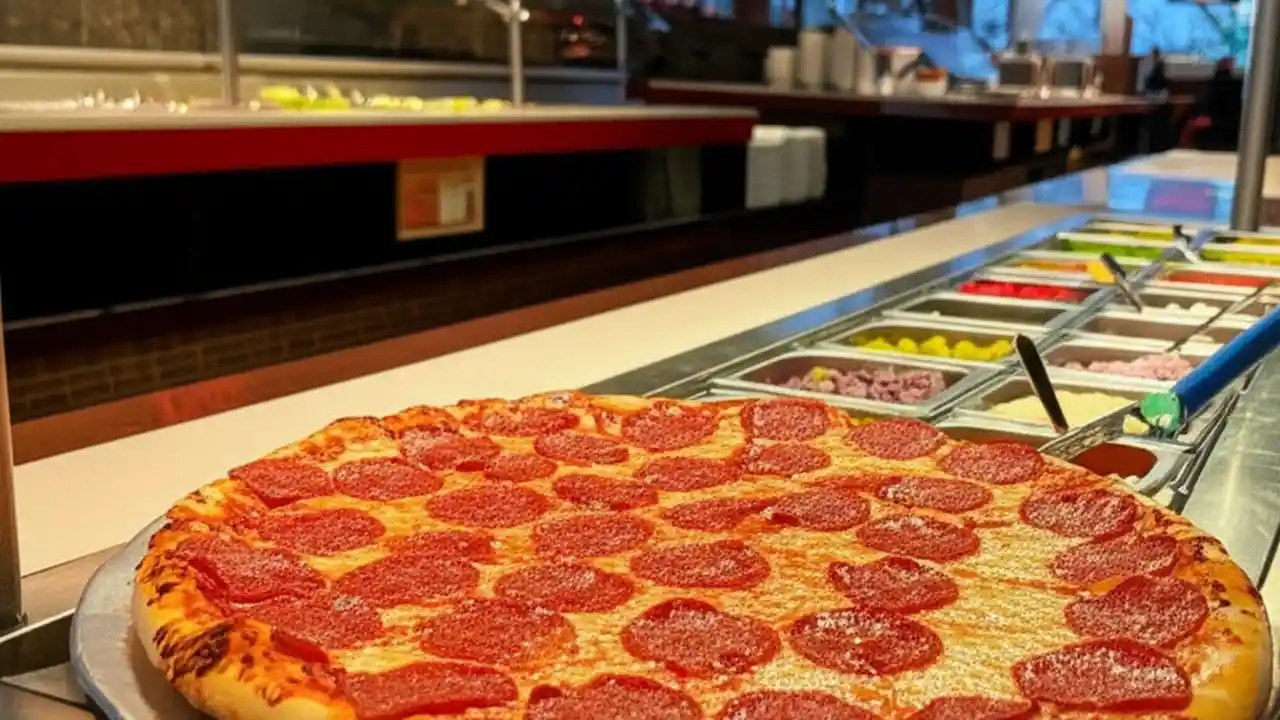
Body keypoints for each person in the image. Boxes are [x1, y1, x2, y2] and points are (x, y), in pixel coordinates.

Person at [1180, 57, 1243, 150]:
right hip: (1212, 126)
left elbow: (1233, 115)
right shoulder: (1215, 84)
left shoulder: (1229, 86)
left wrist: (1210, 121)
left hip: (1222, 131)